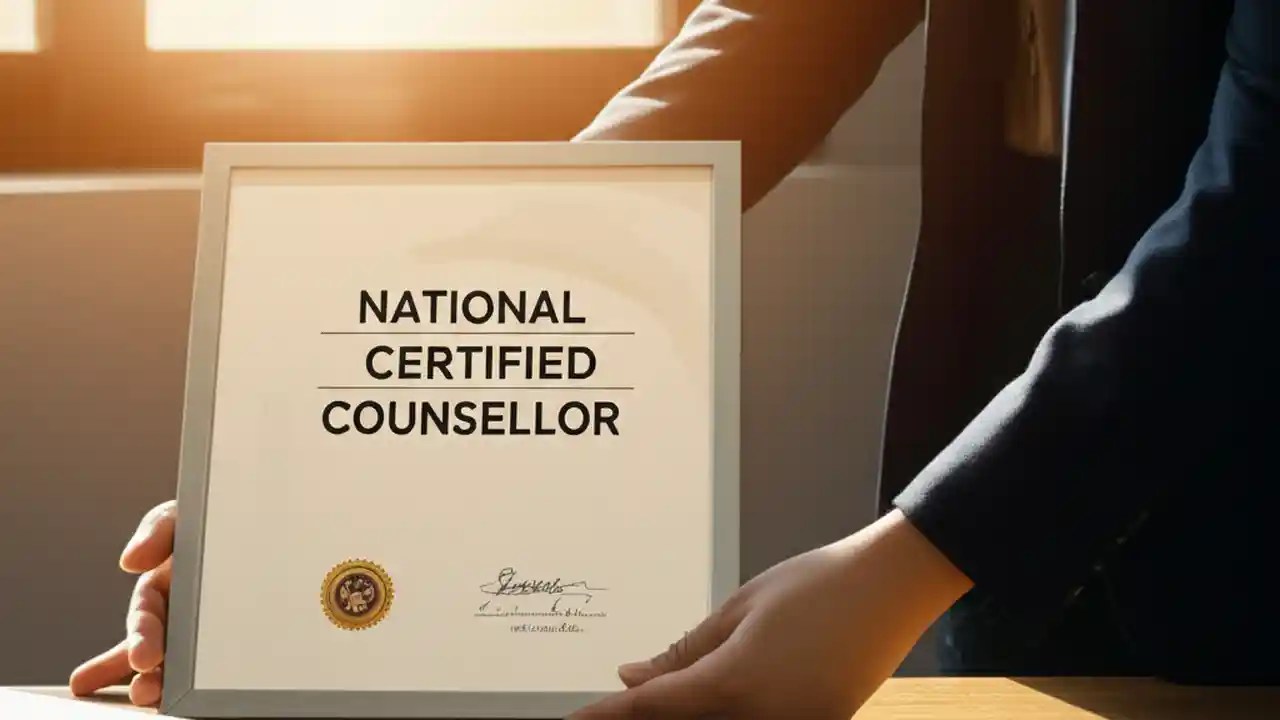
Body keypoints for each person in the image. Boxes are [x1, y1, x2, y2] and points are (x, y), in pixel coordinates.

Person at [70, 0, 1279, 716]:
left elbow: (1258, 209)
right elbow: (778, 30)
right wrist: (383, 403)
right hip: (1015, 575)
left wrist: (912, 555)